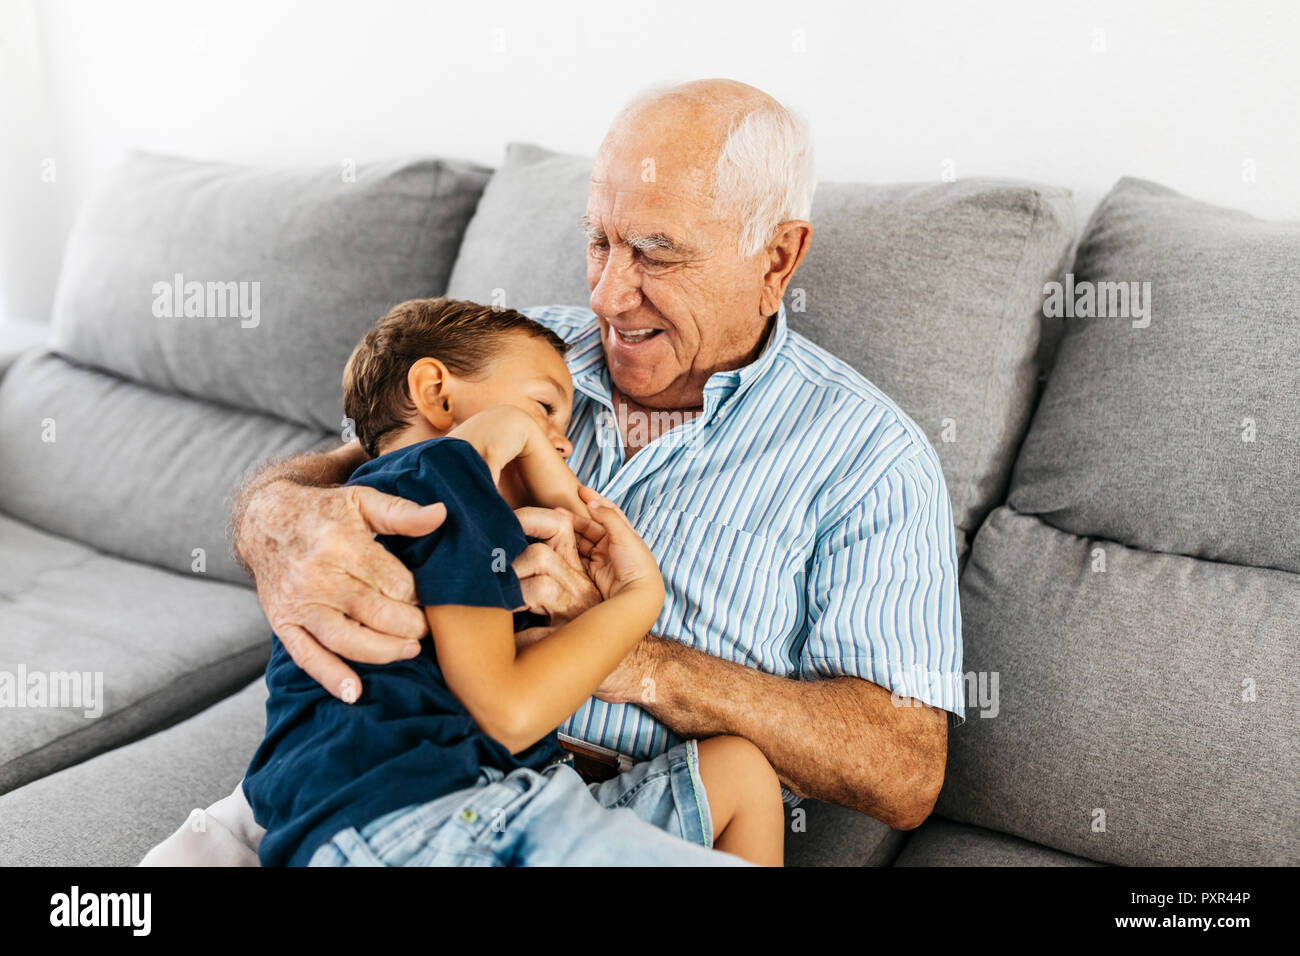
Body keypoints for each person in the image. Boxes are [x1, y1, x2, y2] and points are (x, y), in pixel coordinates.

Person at [242, 297, 783, 866]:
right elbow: (510, 712)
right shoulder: (440, 480)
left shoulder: (412, 498)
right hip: (416, 827)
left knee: (741, 774)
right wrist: (638, 598)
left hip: (475, 807)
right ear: (437, 394)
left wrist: (531, 449)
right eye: (545, 406)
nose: (564, 441)